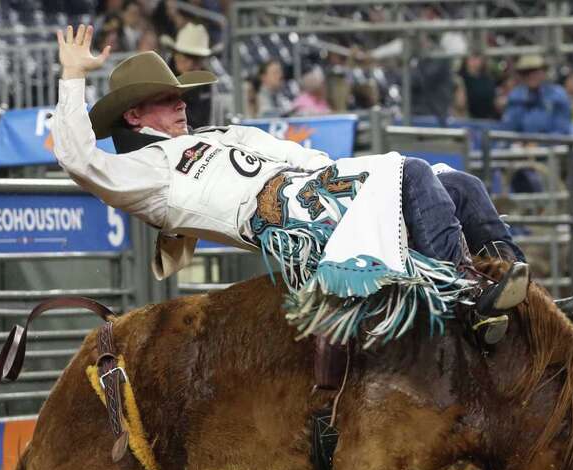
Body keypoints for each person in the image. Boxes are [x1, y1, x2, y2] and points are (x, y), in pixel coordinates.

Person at [52, 25, 530, 347]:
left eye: (180, 96)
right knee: (418, 173)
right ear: (134, 115)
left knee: (460, 185)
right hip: (289, 221)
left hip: (315, 186)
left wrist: (351, 176)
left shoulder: (217, 135)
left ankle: (527, 297)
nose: (180, 105)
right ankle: (464, 300)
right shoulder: (143, 170)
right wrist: (73, 75)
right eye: (164, 99)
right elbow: (78, 158)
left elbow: (293, 154)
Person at [160, 22, 215, 129]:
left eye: (196, 59)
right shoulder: (161, 81)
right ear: (175, 54)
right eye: (187, 56)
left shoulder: (207, 82)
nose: (190, 64)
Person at [501, 54, 572, 135]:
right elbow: (510, 127)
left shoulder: (558, 95)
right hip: (521, 145)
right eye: (526, 72)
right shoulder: (516, 96)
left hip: (552, 145)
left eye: (535, 71)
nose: (530, 75)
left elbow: (562, 130)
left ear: (544, 72)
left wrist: (539, 144)